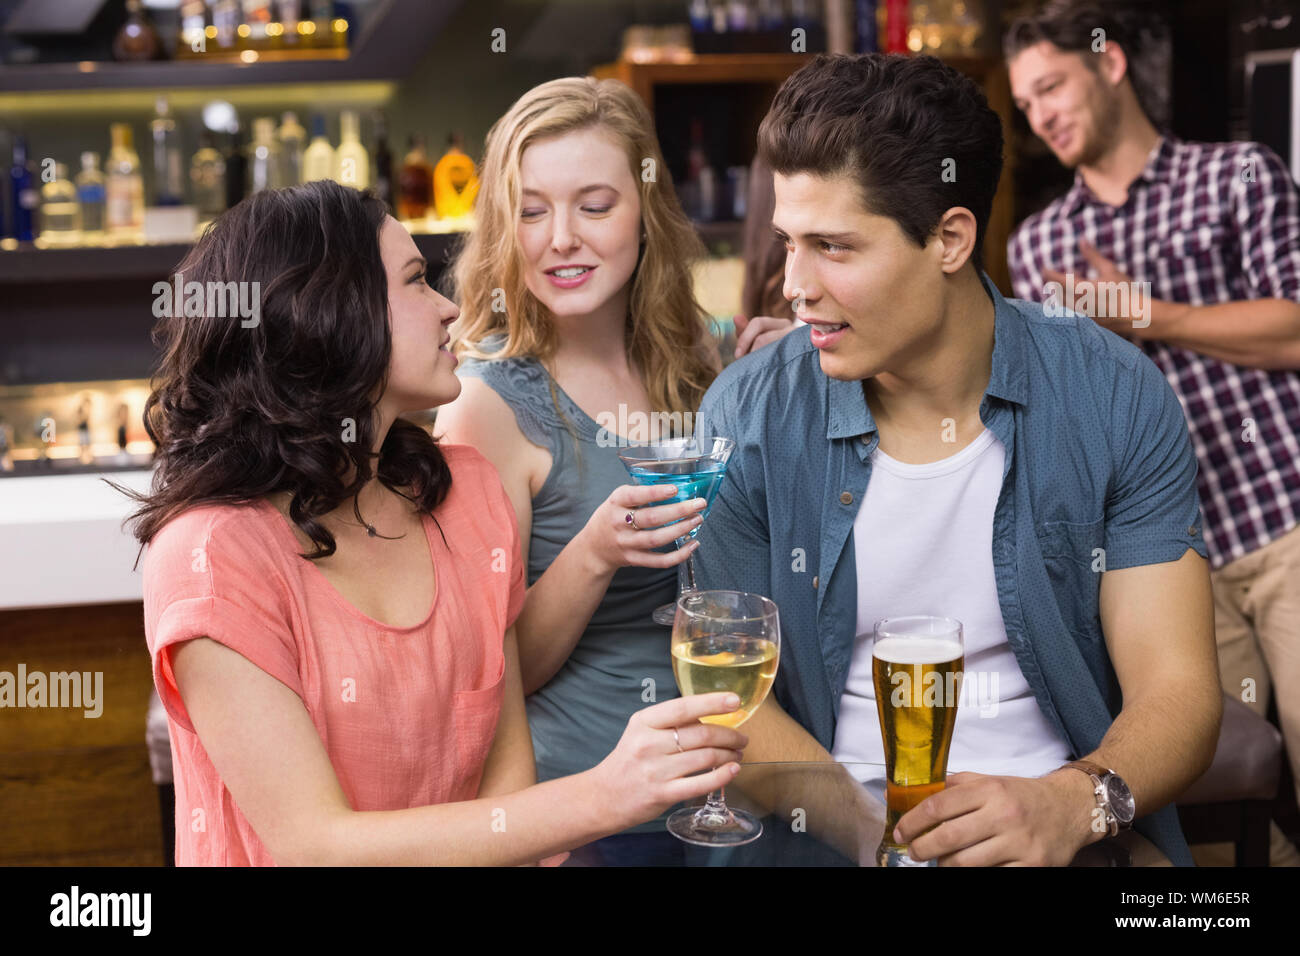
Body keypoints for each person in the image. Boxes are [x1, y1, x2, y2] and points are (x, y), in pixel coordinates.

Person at [692, 51, 1222, 866]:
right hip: (834, 836)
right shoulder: (749, 413)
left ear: (949, 239)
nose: (794, 285)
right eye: (789, 242)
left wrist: (1071, 804)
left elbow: (1178, 691)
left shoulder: (1112, 394)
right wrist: (885, 845)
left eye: (833, 247)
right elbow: (730, 698)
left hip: (1061, 822)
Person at [122, 179, 746, 866]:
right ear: (329, 313)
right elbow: (315, 846)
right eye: (416, 281)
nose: (449, 307)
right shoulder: (212, 555)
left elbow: (505, 782)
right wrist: (604, 795)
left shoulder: (464, 495)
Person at [1005, 1, 1300, 862]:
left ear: (1111, 64)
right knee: (1211, 796)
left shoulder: (1237, 174)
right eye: (1026, 106)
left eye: (1052, 86)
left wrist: (1150, 315)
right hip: (1170, 558)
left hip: (1285, 515)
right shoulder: (1041, 243)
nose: (1043, 114)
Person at [434, 76, 733, 864]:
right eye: (531, 211)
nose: (560, 237)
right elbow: (492, 679)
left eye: (594, 206)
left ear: (646, 214)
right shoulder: (485, 405)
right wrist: (595, 553)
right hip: (595, 821)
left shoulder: (704, 370)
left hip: (732, 792)